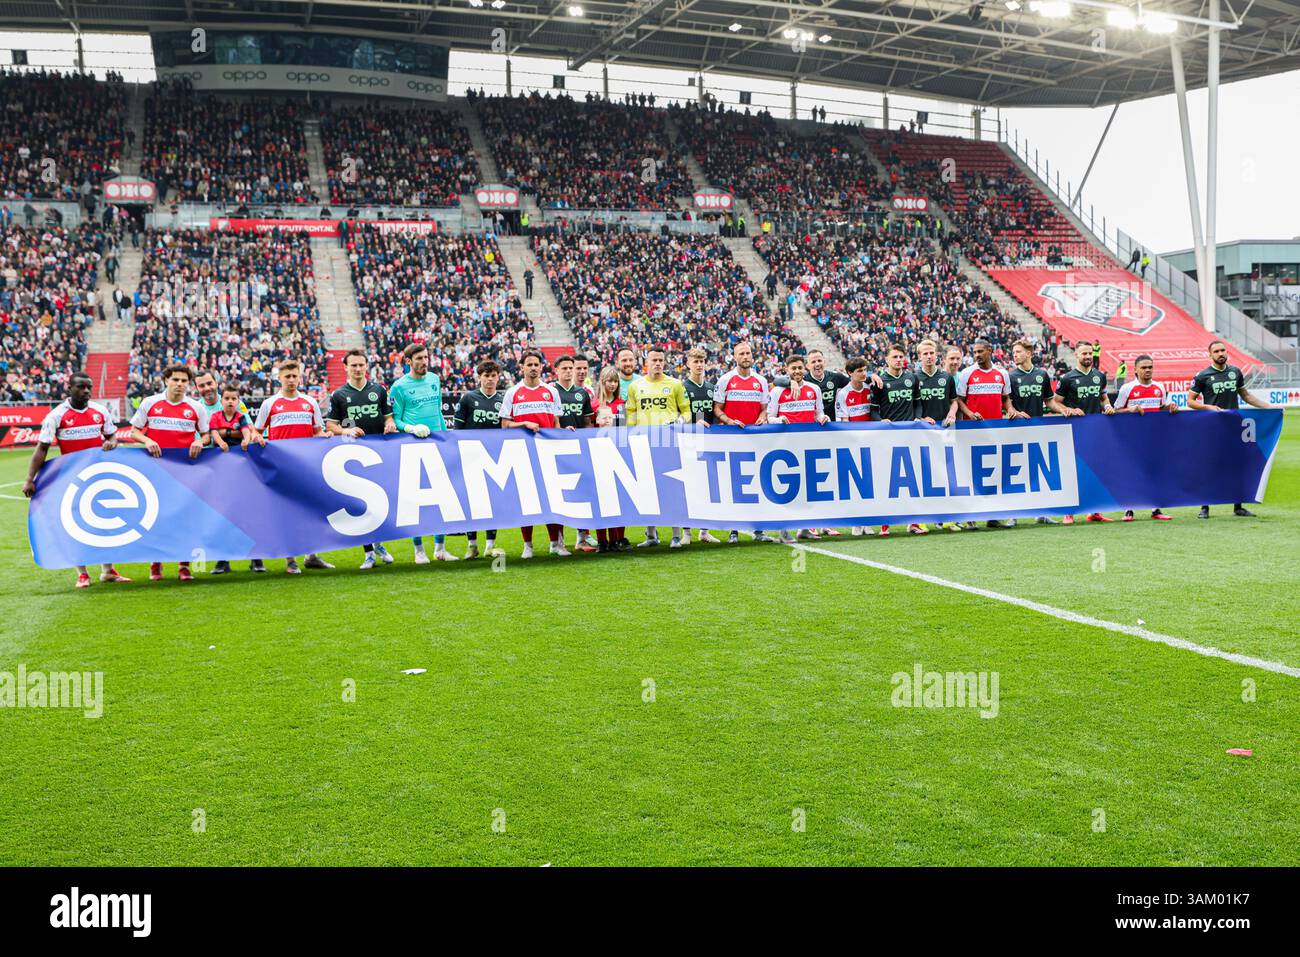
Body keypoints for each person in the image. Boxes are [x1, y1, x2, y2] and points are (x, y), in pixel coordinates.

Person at [23, 372, 131, 589]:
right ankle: (82, 573)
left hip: (98, 476)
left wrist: (112, 442)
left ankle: (108, 571)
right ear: (69, 388)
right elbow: (42, 448)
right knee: (75, 525)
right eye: (82, 387)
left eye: (89, 387)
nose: (87, 391)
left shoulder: (100, 411)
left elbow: (112, 435)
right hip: (70, 480)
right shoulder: (56, 416)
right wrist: (29, 479)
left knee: (104, 521)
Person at [252, 359, 335, 573]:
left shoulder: (310, 402)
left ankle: (312, 555)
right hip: (281, 467)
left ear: (300, 377)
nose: (291, 380)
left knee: (312, 511)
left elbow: (317, 431)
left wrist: (323, 435)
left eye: (294, 376)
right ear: (279, 378)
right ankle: (291, 560)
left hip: (307, 467)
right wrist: (257, 438)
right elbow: (257, 431)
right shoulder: (269, 404)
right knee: (287, 514)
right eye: (286, 376)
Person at [130, 364, 209, 582]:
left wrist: (198, 441)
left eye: (184, 381)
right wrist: (147, 440)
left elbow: (206, 435)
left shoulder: (196, 407)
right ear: (166, 380)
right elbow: (134, 431)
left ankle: (184, 566)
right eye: (176, 380)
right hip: (156, 471)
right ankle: (156, 563)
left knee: (185, 517)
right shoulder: (150, 403)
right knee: (157, 517)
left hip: (185, 472)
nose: (180, 384)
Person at [1187, 340, 1279, 519]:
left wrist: (1268, 407)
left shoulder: (1235, 372)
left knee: (1237, 466)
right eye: (1216, 351)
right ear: (1210, 355)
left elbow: (1246, 396)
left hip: (1234, 426)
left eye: (1223, 350)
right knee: (1210, 466)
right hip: (1212, 427)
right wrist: (1208, 408)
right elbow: (1190, 401)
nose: (1221, 353)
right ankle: (1205, 507)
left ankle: (1238, 506)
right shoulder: (1202, 376)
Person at [326, 349, 398, 569]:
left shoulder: (378, 390)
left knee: (382, 502)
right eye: (353, 365)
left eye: (361, 365)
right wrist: (346, 431)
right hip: (353, 457)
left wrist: (390, 424)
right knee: (361, 506)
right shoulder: (339, 395)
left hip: (379, 454)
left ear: (367, 366)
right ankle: (369, 553)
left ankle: (379, 543)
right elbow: (330, 426)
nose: (357, 368)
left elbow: (389, 417)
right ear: (346, 367)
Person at [500, 349, 569, 558]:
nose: (532, 368)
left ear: (541, 367)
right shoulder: (513, 393)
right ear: (522, 367)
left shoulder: (551, 391)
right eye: (528, 364)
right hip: (523, 454)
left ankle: (556, 544)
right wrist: (524, 423)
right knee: (527, 500)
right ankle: (527, 546)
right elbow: (504, 425)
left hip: (548, 453)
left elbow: (556, 422)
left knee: (554, 499)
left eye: (535, 364)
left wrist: (562, 433)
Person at [391, 342, 456, 563]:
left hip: (437, 445)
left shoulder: (434, 379)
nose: (424, 362)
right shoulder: (399, 387)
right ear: (408, 362)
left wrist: (445, 436)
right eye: (419, 359)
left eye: (426, 357)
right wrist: (411, 428)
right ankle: (419, 550)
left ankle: (440, 548)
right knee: (415, 500)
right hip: (412, 447)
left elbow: (438, 412)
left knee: (442, 497)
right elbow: (396, 419)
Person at [626, 346, 691, 548]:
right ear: (647, 362)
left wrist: (680, 422)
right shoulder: (636, 386)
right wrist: (630, 434)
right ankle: (651, 535)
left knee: (671, 488)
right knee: (647, 490)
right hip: (644, 445)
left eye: (661, 360)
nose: (658, 363)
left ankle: (675, 535)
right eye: (654, 360)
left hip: (669, 445)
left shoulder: (675, 384)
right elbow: (631, 414)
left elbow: (688, 411)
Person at [713, 341, 772, 544]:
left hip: (755, 439)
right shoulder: (725, 380)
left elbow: (764, 408)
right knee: (735, 484)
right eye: (741, 353)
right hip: (732, 438)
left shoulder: (761, 381)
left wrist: (763, 417)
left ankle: (759, 529)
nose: (746, 356)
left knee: (758, 482)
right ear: (734, 357)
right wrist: (730, 421)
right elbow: (717, 409)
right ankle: (734, 530)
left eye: (748, 353)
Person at [768, 354, 830, 544]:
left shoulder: (814, 389)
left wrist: (822, 418)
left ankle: (804, 528)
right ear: (787, 370)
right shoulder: (778, 391)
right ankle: (784, 531)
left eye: (799, 368)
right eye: (793, 368)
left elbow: (819, 412)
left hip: (808, 445)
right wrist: (780, 420)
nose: (797, 371)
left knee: (807, 488)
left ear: (805, 369)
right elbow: (769, 417)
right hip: (785, 447)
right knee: (787, 489)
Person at [1051, 343, 1115, 525]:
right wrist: (1068, 410)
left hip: (1096, 430)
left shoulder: (1099, 376)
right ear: (1076, 355)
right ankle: (1069, 511)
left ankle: (1094, 511)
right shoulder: (1067, 378)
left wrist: (1108, 406)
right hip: (1075, 430)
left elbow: (1103, 397)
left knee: (1096, 470)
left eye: (1090, 353)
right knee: (1074, 470)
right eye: (1084, 353)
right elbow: (1056, 403)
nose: (1088, 356)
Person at [872, 344, 929, 536]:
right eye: (894, 356)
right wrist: (881, 421)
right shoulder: (880, 380)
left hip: (910, 435)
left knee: (912, 480)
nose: (898, 360)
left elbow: (918, 403)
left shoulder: (910, 378)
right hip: (888, 436)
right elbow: (873, 409)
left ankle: (913, 522)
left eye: (900, 356)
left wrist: (917, 418)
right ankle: (885, 523)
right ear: (887, 359)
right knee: (889, 480)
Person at [1113, 354, 1178, 522]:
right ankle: (1129, 509)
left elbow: (1161, 407)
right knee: (1132, 473)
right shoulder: (1127, 388)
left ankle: (1155, 508)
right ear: (1135, 369)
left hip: (1154, 438)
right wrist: (1130, 410)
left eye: (1150, 367)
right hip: (1132, 438)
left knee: (1154, 473)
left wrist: (1169, 407)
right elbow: (1115, 412)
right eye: (1143, 367)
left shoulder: (1160, 387)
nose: (1148, 370)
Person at [207, 383, 263, 574]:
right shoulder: (215, 416)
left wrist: (246, 439)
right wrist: (222, 441)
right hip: (221, 471)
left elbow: (246, 431)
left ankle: (257, 558)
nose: (230, 402)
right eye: (227, 398)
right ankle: (223, 560)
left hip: (243, 470)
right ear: (221, 401)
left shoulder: (241, 416)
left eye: (233, 399)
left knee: (249, 513)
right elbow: (213, 433)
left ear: (238, 401)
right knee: (223, 514)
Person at [454, 359, 506, 559]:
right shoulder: (468, 398)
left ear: (498, 377)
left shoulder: (503, 400)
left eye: (493, 376)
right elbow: (457, 430)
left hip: (494, 459)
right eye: (486, 376)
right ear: (480, 377)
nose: (490, 380)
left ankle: (490, 545)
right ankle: (472, 545)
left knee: (492, 503)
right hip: (471, 458)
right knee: (472, 503)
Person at [1008, 339, 1061, 526]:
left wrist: (1065, 410)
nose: (1015, 355)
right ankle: (1013, 515)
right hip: (1017, 431)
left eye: (1018, 351)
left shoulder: (1042, 375)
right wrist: (1013, 412)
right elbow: (1007, 404)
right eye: (1013, 352)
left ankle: (1041, 513)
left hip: (1039, 429)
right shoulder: (1011, 377)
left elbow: (1049, 402)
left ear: (1029, 353)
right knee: (1017, 472)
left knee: (1039, 471)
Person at [553, 354, 598, 552]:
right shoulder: (550, 391)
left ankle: (582, 538)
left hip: (579, 451)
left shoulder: (582, 393)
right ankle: (558, 542)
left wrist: (587, 441)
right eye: (564, 368)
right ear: (556, 370)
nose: (569, 371)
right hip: (556, 451)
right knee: (558, 496)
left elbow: (588, 423)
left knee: (582, 493)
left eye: (570, 368)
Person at [679, 347, 722, 545]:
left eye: (702, 361)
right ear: (688, 363)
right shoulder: (682, 387)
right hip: (688, 443)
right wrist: (694, 421)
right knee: (688, 487)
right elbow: (679, 415)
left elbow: (716, 412)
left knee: (709, 486)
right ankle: (686, 532)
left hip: (709, 442)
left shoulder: (712, 387)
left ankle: (704, 530)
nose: (699, 364)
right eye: (695, 361)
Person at [592, 366, 628, 553]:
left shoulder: (621, 404)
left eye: (615, 381)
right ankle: (601, 540)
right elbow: (588, 429)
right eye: (609, 381)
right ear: (602, 382)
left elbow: (623, 431)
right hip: (598, 455)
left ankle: (616, 539)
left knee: (618, 499)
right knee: (600, 500)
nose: (612, 384)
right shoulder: (594, 404)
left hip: (617, 455)